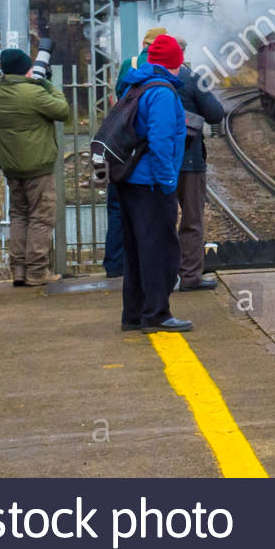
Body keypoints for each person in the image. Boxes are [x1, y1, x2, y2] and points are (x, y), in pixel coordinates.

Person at [114, 34, 190, 332]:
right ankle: (157, 314)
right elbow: (160, 141)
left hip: (130, 180)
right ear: (175, 64)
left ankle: (133, 314)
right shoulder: (162, 92)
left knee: (136, 249)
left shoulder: (135, 84)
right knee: (159, 249)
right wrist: (168, 182)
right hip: (151, 184)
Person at [0, 47, 70, 286]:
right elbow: (62, 111)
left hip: (12, 167)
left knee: (19, 215)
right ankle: (37, 271)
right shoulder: (34, 93)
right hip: (38, 166)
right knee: (41, 217)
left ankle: (19, 270)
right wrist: (46, 84)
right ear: (25, 69)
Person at [102, 26, 167, 278]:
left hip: (120, 143)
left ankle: (115, 264)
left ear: (143, 43)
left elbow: (120, 95)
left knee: (117, 209)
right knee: (150, 213)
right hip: (145, 148)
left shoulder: (129, 64)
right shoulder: (164, 68)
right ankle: (146, 265)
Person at [172, 37, 225, 291]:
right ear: (180, 53)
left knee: (160, 220)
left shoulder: (142, 78)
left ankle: (161, 274)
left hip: (153, 162)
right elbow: (215, 113)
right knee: (191, 220)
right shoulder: (190, 78)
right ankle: (190, 276)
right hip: (189, 161)